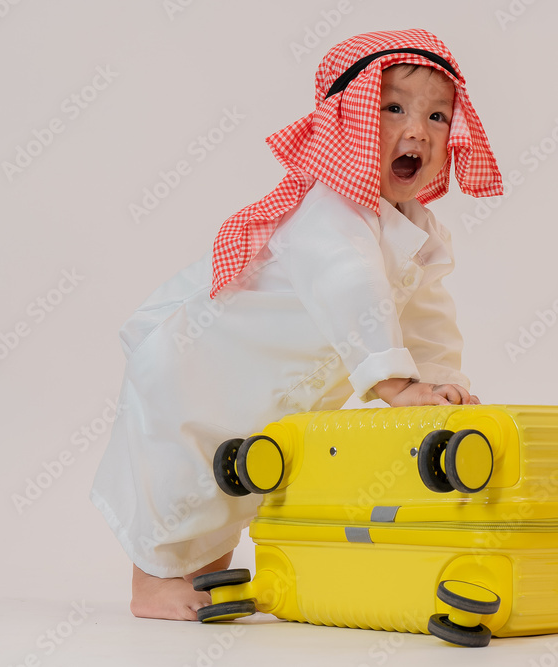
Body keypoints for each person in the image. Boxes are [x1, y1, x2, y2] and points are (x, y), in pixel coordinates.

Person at [89, 28, 502, 621]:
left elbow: (426, 312)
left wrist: (439, 382)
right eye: (392, 108)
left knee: (236, 485)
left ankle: (207, 578)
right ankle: (152, 585)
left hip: (267, 390)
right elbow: (350, 285)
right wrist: (395, 384)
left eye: (437, 116)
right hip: (199, 370)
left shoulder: (420, 229)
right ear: (346, 122)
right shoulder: (329, 210)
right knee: (182, 473)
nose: (417, 131)